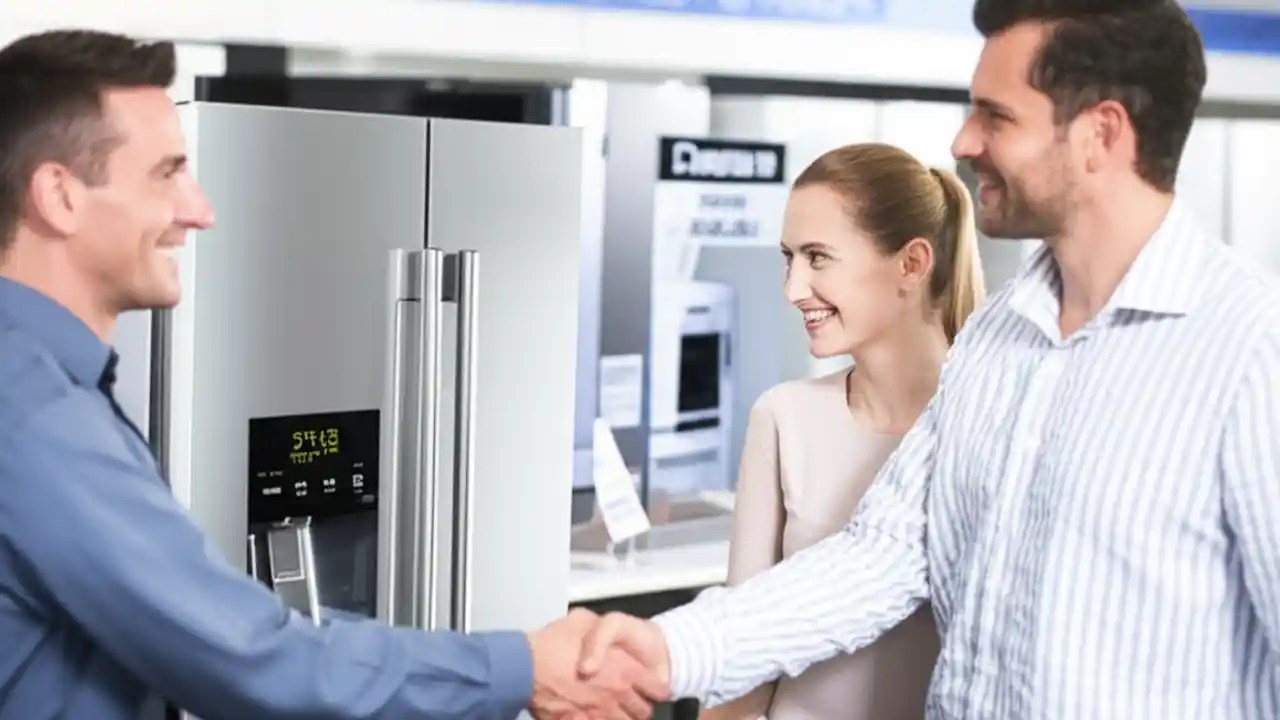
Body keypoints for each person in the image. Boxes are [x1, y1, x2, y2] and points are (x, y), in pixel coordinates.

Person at [579, 1, 1280, 718]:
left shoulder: (1252, 352)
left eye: (996, 116)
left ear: (1100, 134)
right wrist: (665, 651)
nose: (964, 140)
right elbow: (880, 554)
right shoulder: (998, 337)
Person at [0, 29, 666, 720]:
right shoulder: (36, 416)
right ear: (60, 195)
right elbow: (251, 658)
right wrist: (521, 667)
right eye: (167, 174)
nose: (199, 210)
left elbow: (230, 627)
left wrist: (513, 661)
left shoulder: (46, 390)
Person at [699, 143, 985, 720]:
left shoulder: (992, 421)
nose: (792, 288)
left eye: (818, 257)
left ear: (911, 263)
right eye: (788, 258)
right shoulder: (784, 417)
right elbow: (743, 654)